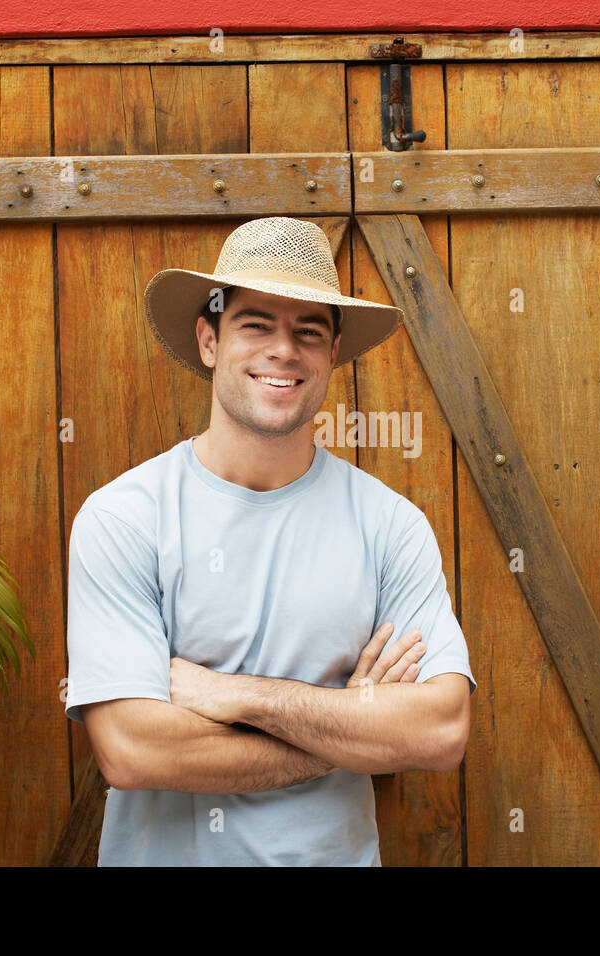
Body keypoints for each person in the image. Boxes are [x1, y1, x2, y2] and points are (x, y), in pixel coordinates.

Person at [64, 216, 476, 865]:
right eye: (256, 324)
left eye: (308, 330)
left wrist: (236, 696)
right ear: (209, 340)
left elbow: (440, 731)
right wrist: (350, 723)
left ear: (332, 354)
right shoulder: (124, 518)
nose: (283, 350)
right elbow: (132, 751)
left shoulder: (389, 526)